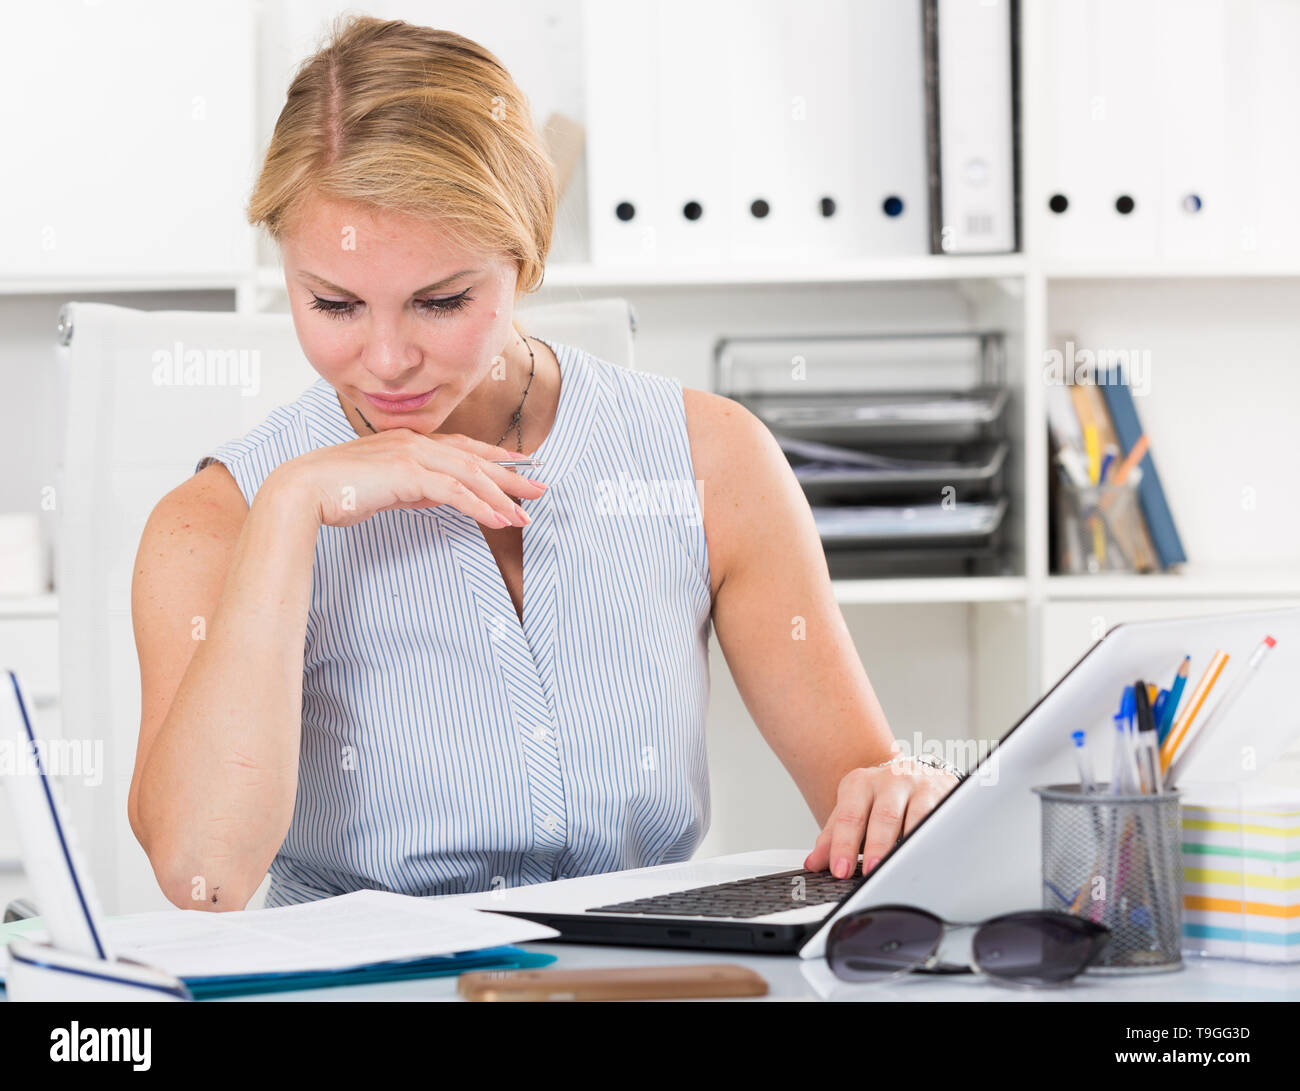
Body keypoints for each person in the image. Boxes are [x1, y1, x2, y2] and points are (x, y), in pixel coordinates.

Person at [128, 15, 957, 911]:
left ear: (524, 259)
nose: (389, 358)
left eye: (441, 301)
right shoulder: (214, 520)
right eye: (334, 304)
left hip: (646, 977)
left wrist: (902, 796)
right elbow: (200, 875)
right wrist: (290, 511)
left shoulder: (710, 460)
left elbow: (872, 806)